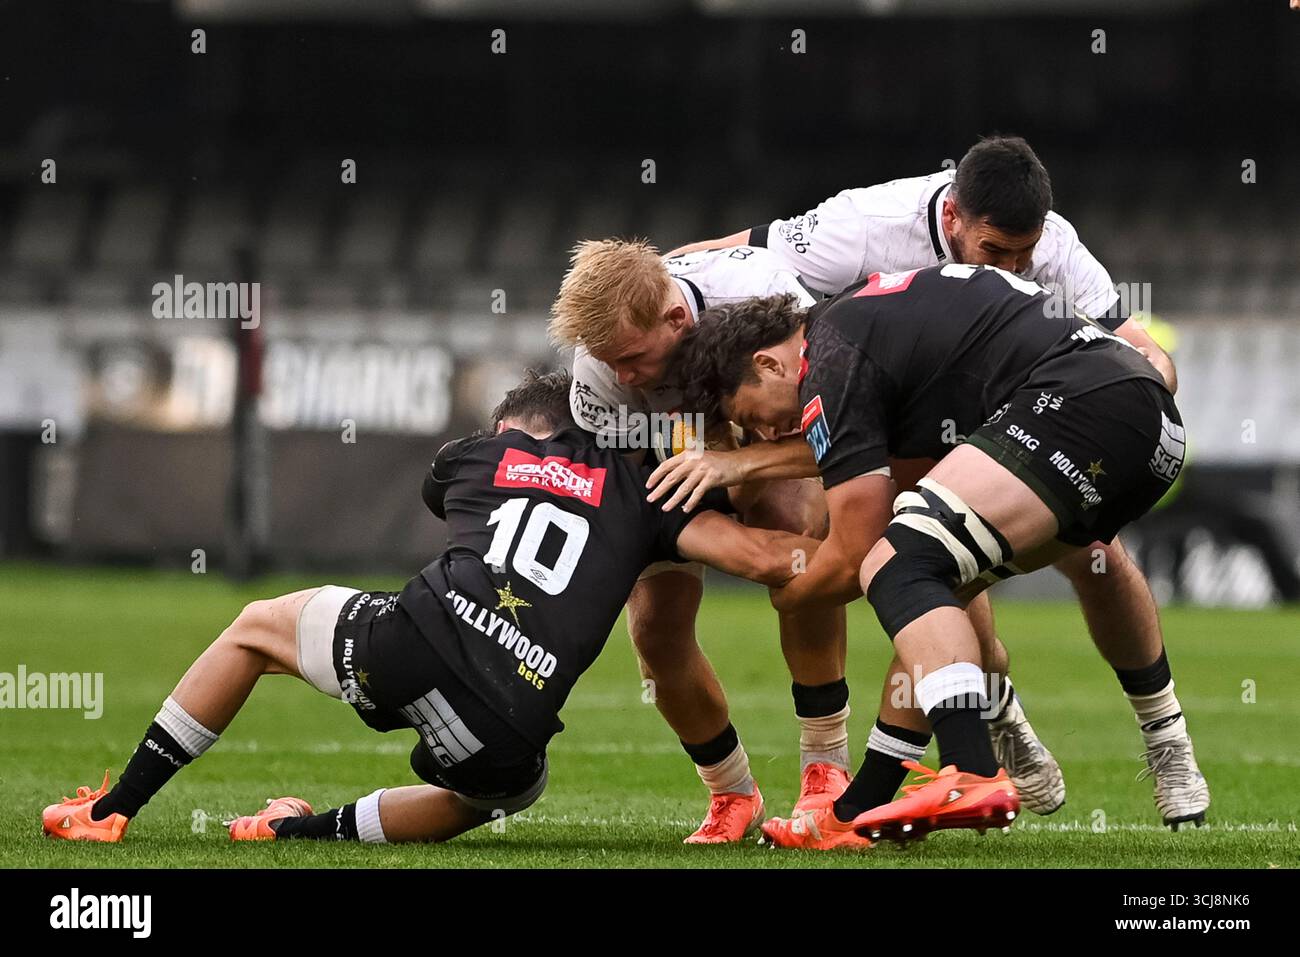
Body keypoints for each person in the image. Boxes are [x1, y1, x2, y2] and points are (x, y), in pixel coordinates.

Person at [651, 136, 1206, 825]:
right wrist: (643, 281)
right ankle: (868, 802)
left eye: (750, 418)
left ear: (767, 364)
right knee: (930, 573)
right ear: (951, 222)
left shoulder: (837, 350)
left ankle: (985, 766)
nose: (766, 432)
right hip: (1081, 417)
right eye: (996, 251)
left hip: (1067, 406)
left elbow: (852, 551)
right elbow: (726, 251)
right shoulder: (859, 232)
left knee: (904, 560)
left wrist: (786, 585)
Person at [42, 370, 814, 846]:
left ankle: (113, 808)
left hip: (413, 645)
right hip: (510, 726)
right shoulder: (650, 495)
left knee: (254, 630)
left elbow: (451, 488)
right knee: (502, 793)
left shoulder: (472, 455)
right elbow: (763, 559)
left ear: (525, 430)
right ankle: (290, 829)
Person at [551, 239, 1056, 842]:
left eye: (631, 358)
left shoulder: (761, 290)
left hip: (776, 438)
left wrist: (741, 466)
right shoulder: (598, 374)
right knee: (656, 630)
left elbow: (837, 422)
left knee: (807, 546)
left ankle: (827, 766)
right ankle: (731, 791)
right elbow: (637, 496)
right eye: (608, 361)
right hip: (670, 462)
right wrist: (706, 519)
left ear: (678, 320)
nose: (621, 375)